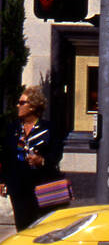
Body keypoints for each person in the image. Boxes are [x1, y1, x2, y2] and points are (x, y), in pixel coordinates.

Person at [0, 86, 65, 231]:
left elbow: (56, 154)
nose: (18, 106)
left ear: (33, 107)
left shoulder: (49, 128)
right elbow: (5, 157)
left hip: (41, 186)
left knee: (42, 226)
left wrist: (41, 160)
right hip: (18, 186)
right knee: (22, 226)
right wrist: (2, 180)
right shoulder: (13, 129)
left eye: (22, 103)